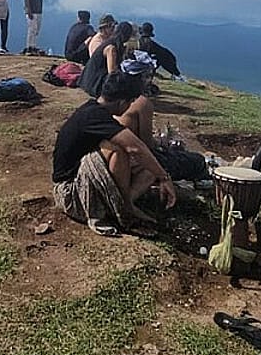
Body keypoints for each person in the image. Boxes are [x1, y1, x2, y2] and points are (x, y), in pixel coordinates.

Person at [51, 72, 176, 235]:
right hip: (71, 193)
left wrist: (159, 174)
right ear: (123, 102)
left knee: (151, 166)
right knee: (117, 149)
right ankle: (123, 210)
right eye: (131, 102)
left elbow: (142, 152)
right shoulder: (94, 116)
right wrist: (165, 179)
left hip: (81, 180)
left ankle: (125, 201)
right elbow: (134, 147)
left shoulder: (94, 110)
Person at [80, 20, 133, 98]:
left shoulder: (111, 41)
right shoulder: (111, 48)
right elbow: (112, 72)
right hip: (95, 83)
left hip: (88, 80)